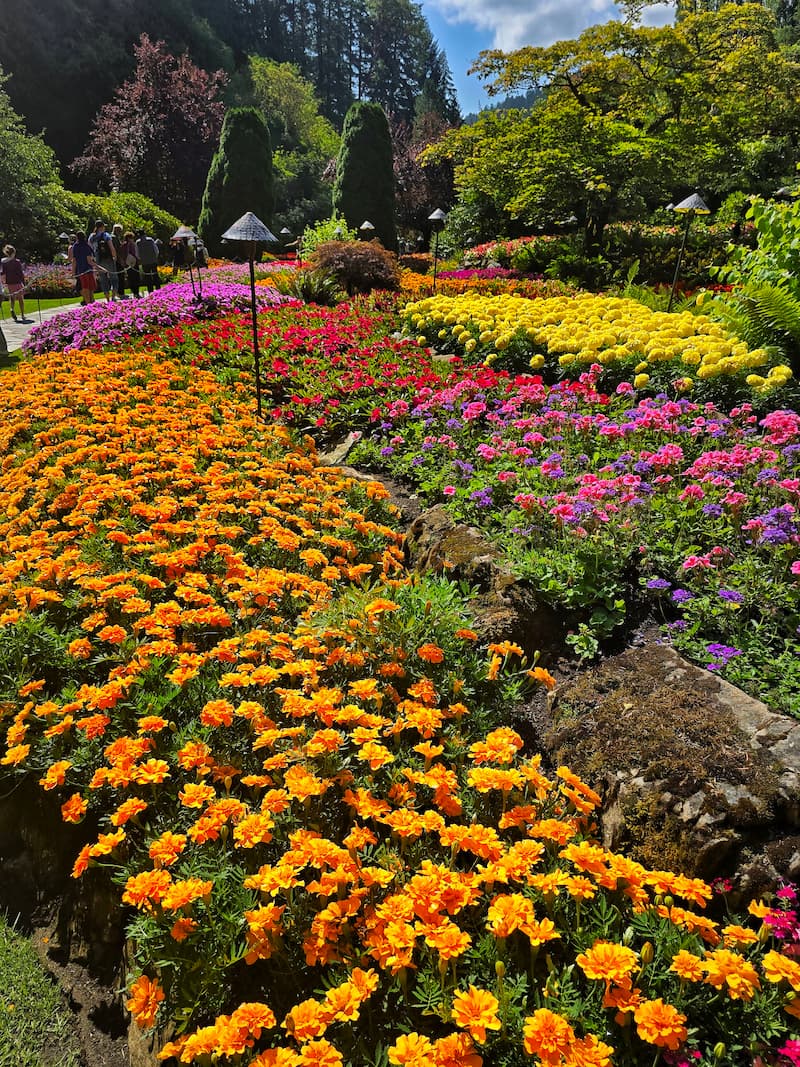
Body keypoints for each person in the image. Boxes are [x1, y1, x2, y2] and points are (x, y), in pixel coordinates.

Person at [89, 220, 117, 301]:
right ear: (102, 227)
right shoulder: (106, 235)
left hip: (98, 260)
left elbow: (90, 249)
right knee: (114, 278)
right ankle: (113, 296)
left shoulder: (92, 237)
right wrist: (114, 256)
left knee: (103, 279)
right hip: (108, 259)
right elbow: (111, 247)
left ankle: (107, 298)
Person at [69, 232, 98, 305]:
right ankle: (91, 302)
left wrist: (73, 272)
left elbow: (74, 260)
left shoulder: (75, 246)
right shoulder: (86, 246)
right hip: (88, 269)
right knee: (90, 287)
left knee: (85, 287)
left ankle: (88, 303)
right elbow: (90, 260)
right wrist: (98, 267)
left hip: (81, 270)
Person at [0, 245, 27, 322]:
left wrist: (3, 282)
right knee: (21, 299)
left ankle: (12, 309)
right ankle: (22, 315)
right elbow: (20, 273)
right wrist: (24, 283)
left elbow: (2, 273)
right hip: (17, 282)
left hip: (9, 283)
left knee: (12, 298)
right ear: (13, 253)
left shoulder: (4, 263)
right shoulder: (17, 262)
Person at [121, 230, 140, 298]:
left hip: (127, 264)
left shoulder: (123, 245)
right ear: (129, 238)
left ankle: (134, 291)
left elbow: (122, 255)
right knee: (136, 278)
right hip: (134, 263)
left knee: (131, 278)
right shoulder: (133, 244)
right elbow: (136, 254)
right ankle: (136, 292)